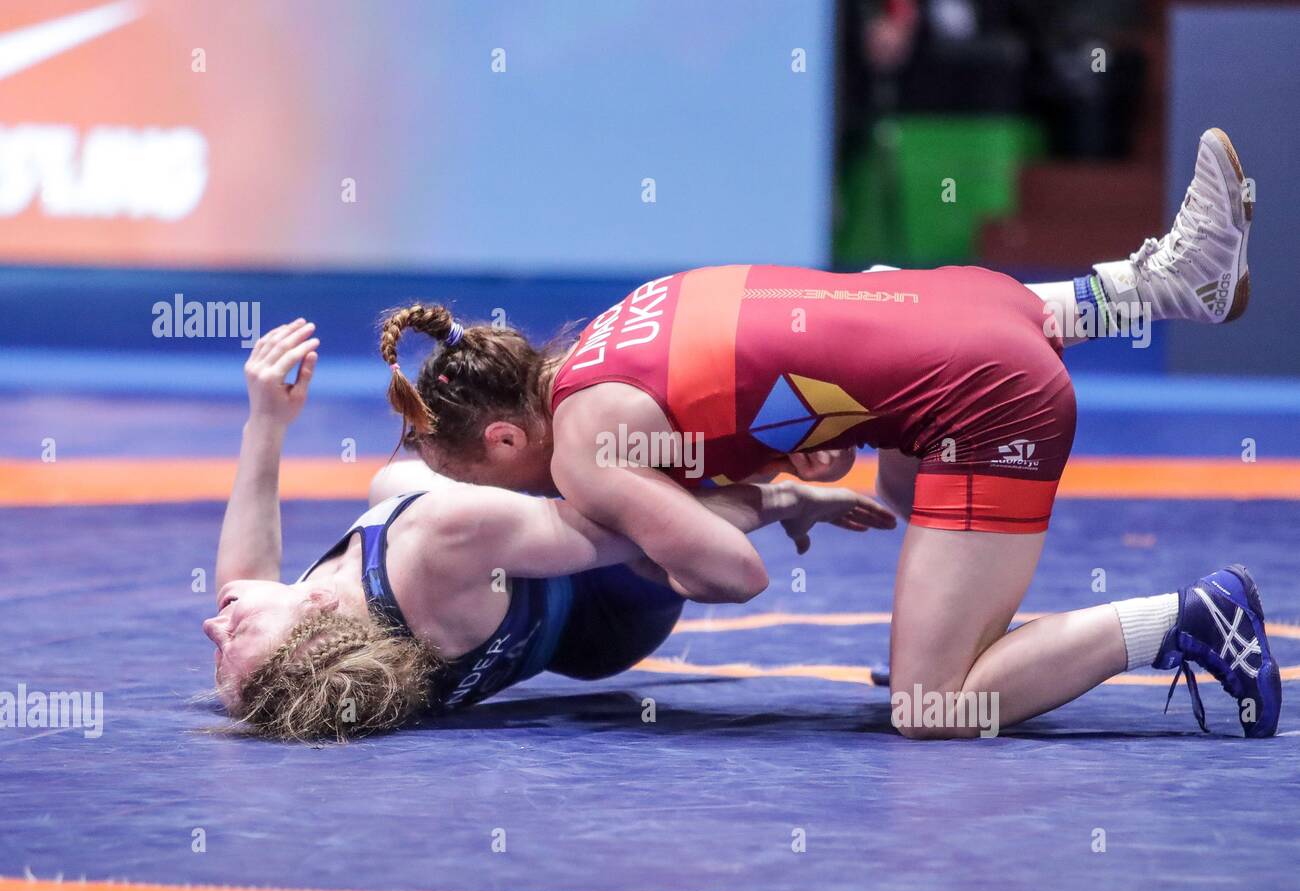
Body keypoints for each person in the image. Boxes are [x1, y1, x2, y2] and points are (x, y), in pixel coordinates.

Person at [379, 127, 1279, 738]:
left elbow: (733, 574)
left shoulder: (580, 451)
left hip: (991, 395)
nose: (506, 504)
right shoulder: (620, 322)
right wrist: (786, 471)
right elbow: (786, 363)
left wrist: (637, 537)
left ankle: (1188, 618)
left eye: (480, 483)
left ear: (503, 442)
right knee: (892, 447)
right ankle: (1147, 286)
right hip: (958, 306)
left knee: (934, 706)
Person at [204, 321, 894, 740]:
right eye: (234, 634)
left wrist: (265, 423)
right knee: (641, 518)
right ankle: (799, 425)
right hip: (607, 609)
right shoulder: (439, 540)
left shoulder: (316, 649)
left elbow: (243, 584)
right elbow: (640, 530)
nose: (215, 624)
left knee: (401, 481)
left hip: (531, 598)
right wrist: (774, 497)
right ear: (315, 620)